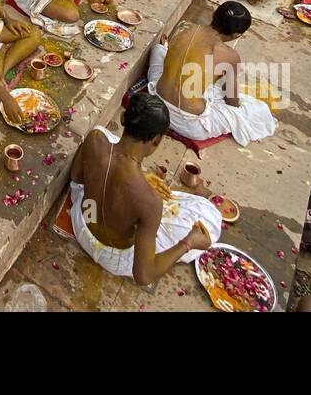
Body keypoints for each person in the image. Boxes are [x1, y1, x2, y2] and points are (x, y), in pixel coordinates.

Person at [67, 93, 219, 286]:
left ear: (123, 118)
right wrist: (189, 242)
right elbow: (144, 276)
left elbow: (77, 178)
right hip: (112, 256)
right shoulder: (150, 202)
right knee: (209, 215)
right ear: (156, 141)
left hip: (82, 223)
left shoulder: (94, 139)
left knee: (102, 133)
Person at [148, 1, 278, 146]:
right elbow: (231, 101)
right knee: (258, 110)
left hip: (155, 101)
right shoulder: (230, 56)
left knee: (159, 51)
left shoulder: (184, 26)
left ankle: (163, 49)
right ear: (236, 35)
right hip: (190, 125)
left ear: (214, 15)